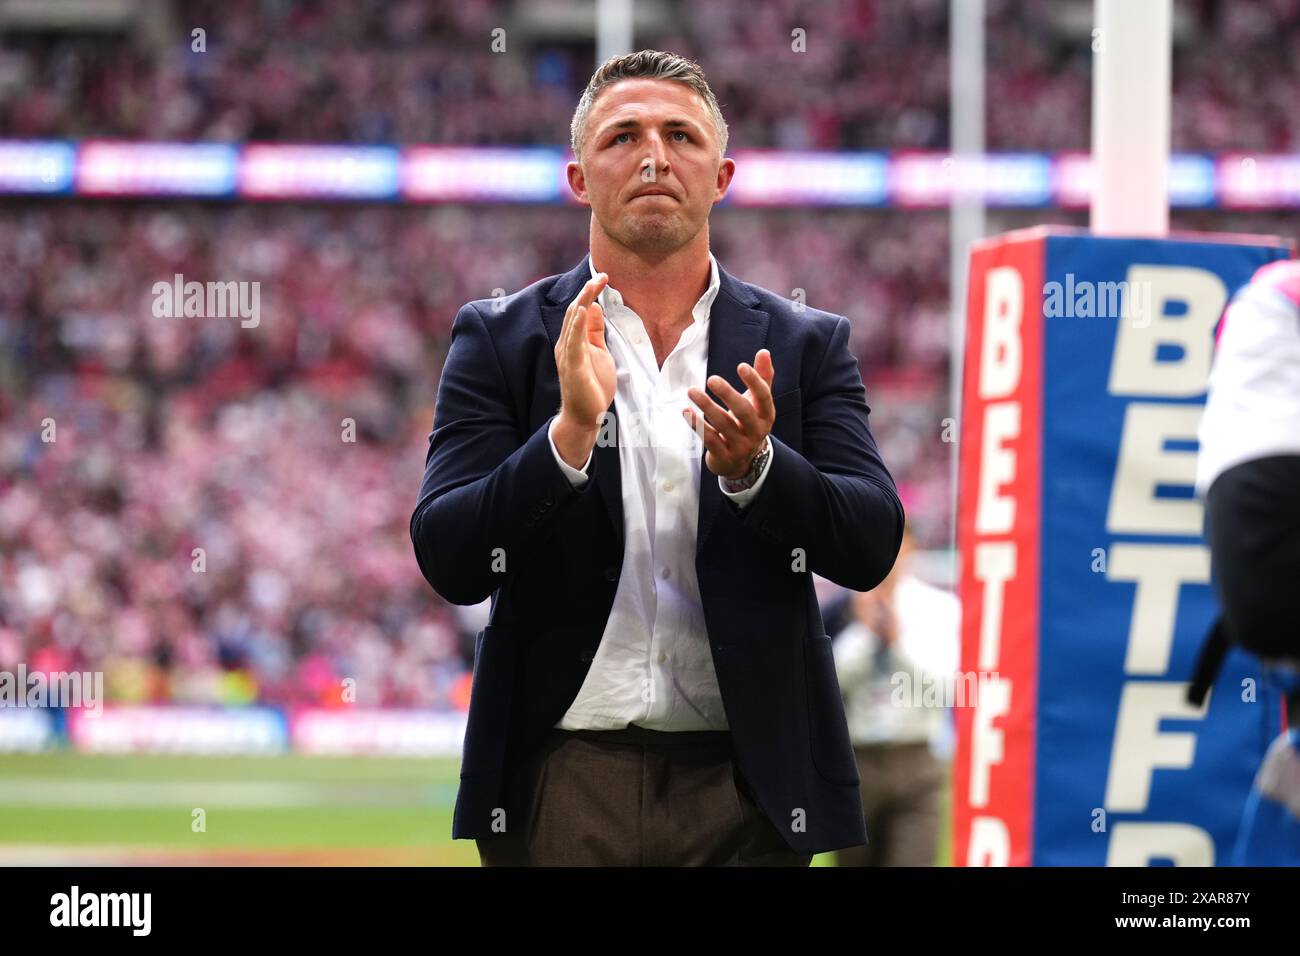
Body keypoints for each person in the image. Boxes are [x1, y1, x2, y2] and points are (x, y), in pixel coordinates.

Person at [410, 50, 903, 866]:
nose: (653, 156)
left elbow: (872, 541)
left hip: (748, 783)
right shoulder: (501, 337)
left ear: (722, 175)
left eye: (681, 135)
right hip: (561, 774)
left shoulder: (808, 344)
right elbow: (451, 556)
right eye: (622, 137)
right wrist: (566, 438)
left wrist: (759, 470)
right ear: (578, 178)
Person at [830, 523, 959, 866]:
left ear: (914, 547)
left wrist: (896, 642)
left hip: (916, 759)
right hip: (858, 763)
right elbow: (830, 684)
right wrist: (864, 632)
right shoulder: (842, 606)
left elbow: (942, 689)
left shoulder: (940, 608)